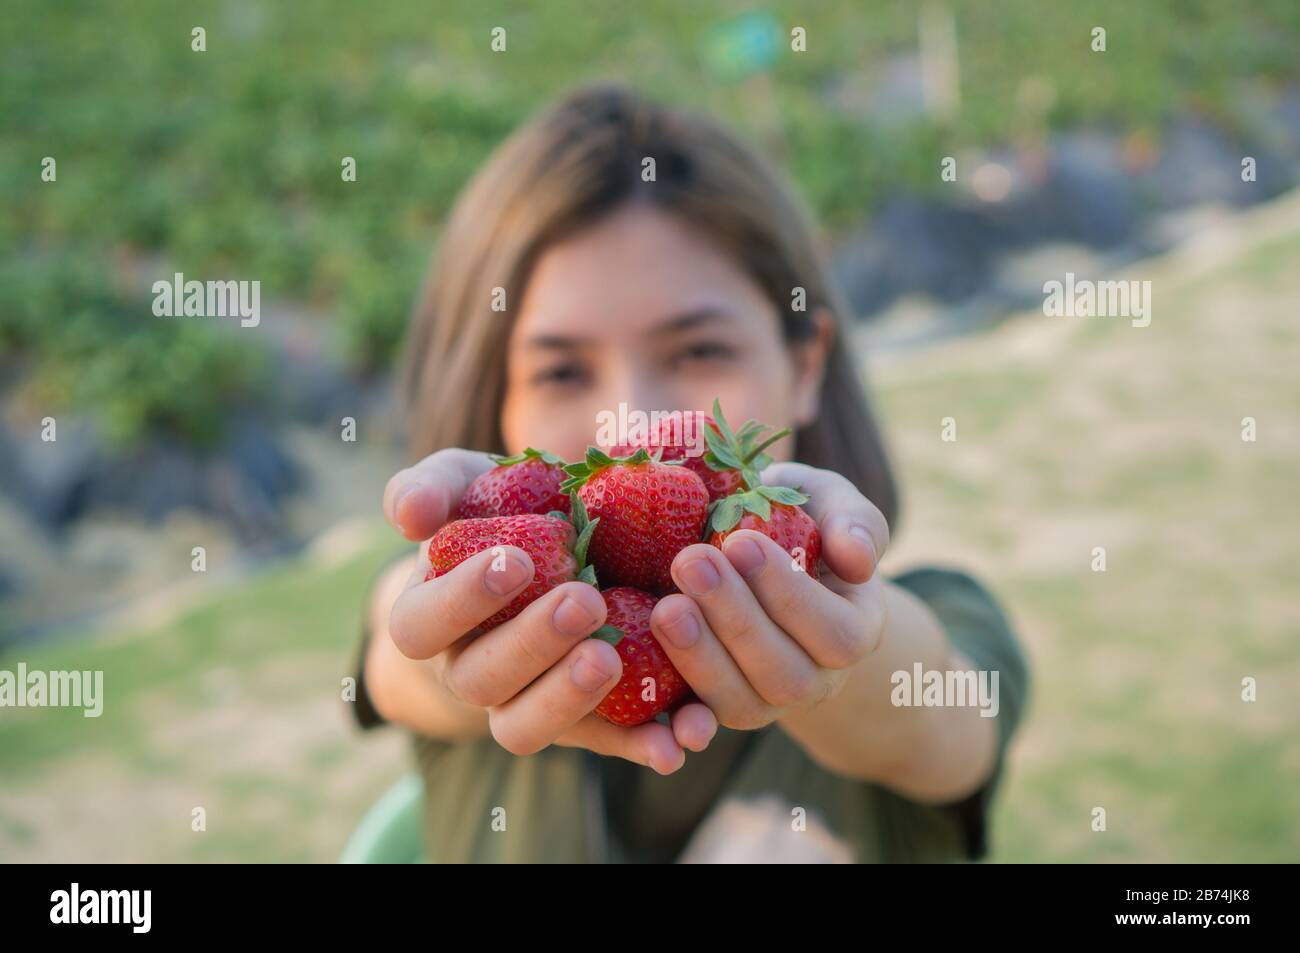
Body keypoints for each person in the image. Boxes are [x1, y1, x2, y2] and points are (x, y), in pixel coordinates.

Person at [350, 82, 1029, 863]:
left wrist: (844, 639)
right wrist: (458, 647)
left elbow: (942, 718)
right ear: (494, 399)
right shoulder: (481, 645)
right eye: (563, 372)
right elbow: (391, 643)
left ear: (805, 363)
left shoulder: (944, 617)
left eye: (700, 349)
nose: (633, 422)